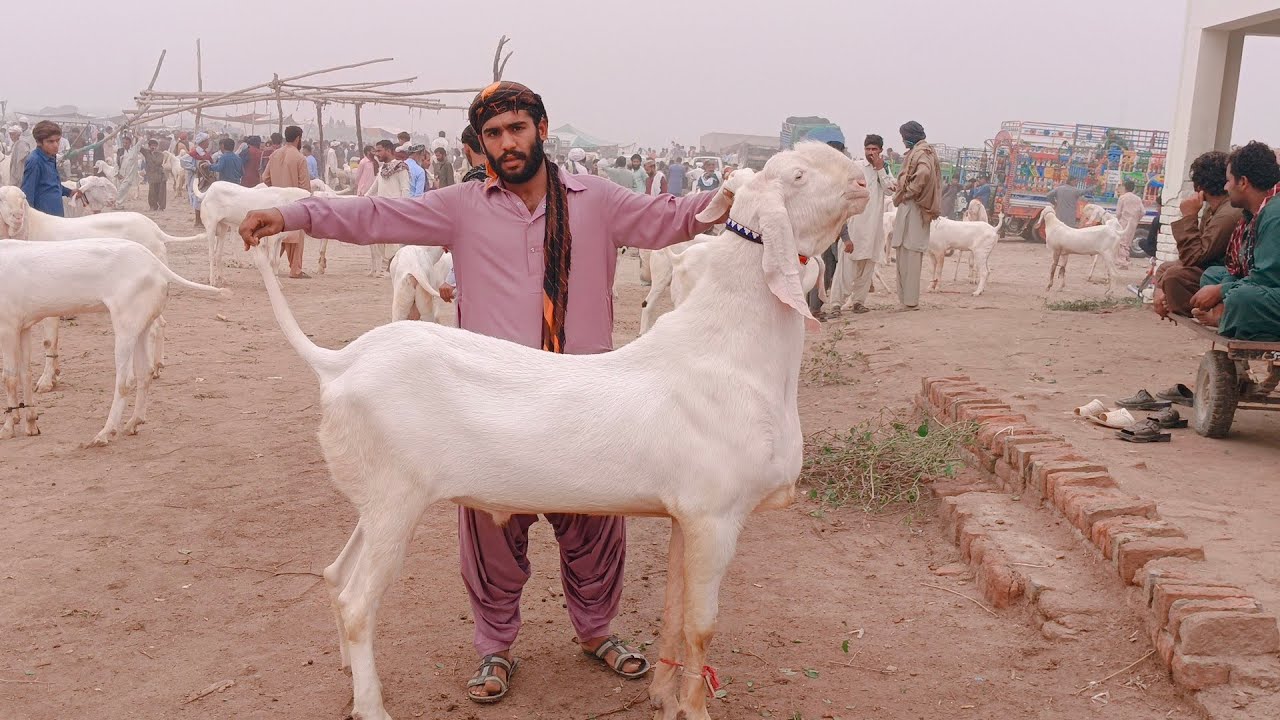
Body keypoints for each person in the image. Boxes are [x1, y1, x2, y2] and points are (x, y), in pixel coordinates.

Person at [237, 81, 725, 704]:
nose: (506, 143)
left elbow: (676, 218)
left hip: (586, 407)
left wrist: (743, 196)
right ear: (482, 144)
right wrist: (294, 212)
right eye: (493, 135)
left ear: (542, 130)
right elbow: (375, 217)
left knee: (597, 533)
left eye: (517, 129)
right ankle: (494, 648)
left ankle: (597, 632)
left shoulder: (596, 200)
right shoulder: (461, 206)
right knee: (491, 535)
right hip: (491, 411)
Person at [1190, 141, 1280, 340]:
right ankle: (1229, 315)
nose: (1225, 186)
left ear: (1243, 182)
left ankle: (1226, 316)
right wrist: (1221, 287)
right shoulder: (1254, 214)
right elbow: (1241, 268)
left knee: (1242, 299)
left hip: (1271, 286)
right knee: (1212, 275)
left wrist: (1223, 291)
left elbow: (1266, 277)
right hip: (1266, 285)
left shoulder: (1275, 216)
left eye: (1228, 180)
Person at [1152, 151, 1241, 318]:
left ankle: (1197, 310)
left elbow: (1193, 257)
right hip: (1210, 268)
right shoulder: (1213, 209)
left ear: (1199, 187)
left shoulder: (1227, 215)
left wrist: (1189, 217)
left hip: (1221, 275)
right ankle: (1166, 300)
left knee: (1173, 276)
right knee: (1165, 269)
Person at [829, 134, 896, 314]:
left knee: (867, 266)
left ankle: (859, 302)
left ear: (881, 151)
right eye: (868, 149)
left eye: (874, 149)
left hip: (874, 228)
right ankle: (836, 304)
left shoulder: (885, 170)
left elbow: (891, 190)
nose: (871, 153)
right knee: (846, 267)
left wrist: (880, 169)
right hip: (854, 227)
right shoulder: (856, 168)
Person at [891, 121, 942, 310]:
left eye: (904, 136)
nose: (903, 140)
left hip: (915, 209)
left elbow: (924, 174)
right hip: (908, 211)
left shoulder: (921, 153)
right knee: (904, 256)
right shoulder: (920, 151)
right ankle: (905, 300)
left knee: (911, 258)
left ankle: (910, 302)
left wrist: (908, 192)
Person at [262, 125, 312, 279]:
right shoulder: (300, 158)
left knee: (277, 234)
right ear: (298, 138)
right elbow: (305, 187)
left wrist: (274, 190)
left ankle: (268, 266)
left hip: (276, 203)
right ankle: (295, 270)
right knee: (296, 237)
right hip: (294, 204)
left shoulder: (275, 154)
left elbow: (265, 178)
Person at [21, 121, 80, 216]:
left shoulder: (51, 157)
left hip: (55, 217)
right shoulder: (35, 161)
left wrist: (69, 192)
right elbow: (27, 195)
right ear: (39, 142)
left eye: (58, 140)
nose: (56, 145)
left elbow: (52, 185)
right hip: (43, 219)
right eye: (50, 141)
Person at [1114, 179, 1146, 269]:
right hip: (1133, 223)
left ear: (1125, 187)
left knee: (1121, 242)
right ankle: (1125, 259)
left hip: (1123, 223)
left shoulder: (1122, 198)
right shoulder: (1137, 198)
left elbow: (1118, 213)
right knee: (1128, 242)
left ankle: (1122, 262)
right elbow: (1143, 212)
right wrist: (1136, 219)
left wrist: (1117, 221)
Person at [184, 132, 213, 227]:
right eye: (207, 141)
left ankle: (201, 220)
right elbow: (183, 162)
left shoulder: (206, 154)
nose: (208, 143)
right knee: (198, 198)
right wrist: (194, 168)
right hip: (196, 178)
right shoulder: (194, 153)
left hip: (205, 179)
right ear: (202, 142)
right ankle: (197, 221)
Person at [140, 138, 168, 211]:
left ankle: (161, 207)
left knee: (161, 192)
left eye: (155, 145)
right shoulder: (147, 153)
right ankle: (153, 206)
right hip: (151, 176)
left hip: (160, 175)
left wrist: (152, 153)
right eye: (152, 145)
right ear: (149, 146)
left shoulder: (160, 154)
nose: (153, 147)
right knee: (152, 192)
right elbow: (139, 147)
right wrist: (137, 137)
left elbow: (158, 162)